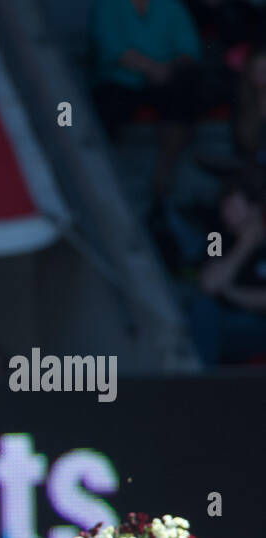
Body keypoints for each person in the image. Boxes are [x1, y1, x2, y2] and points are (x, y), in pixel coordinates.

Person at [91, 0, 221, 263]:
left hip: (165, 81)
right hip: (121, 83)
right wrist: (154, 68)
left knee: (188, 89)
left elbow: (189, 51)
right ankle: (103, 177)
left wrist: (167, 70)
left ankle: (163, 174)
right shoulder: (107, 7)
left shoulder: (170, 7)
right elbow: (113, 50)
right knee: (106, 105)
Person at [186, 170, 266, 365]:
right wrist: (244, 246)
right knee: (202, 309)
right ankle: (199, 383)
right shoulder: (217, 237)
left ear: (254, 208)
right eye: (223, 204)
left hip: (259, 325)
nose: (225, 211)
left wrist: (230, 292)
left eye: (232, 205)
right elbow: (209, 285)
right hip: (224, 320)